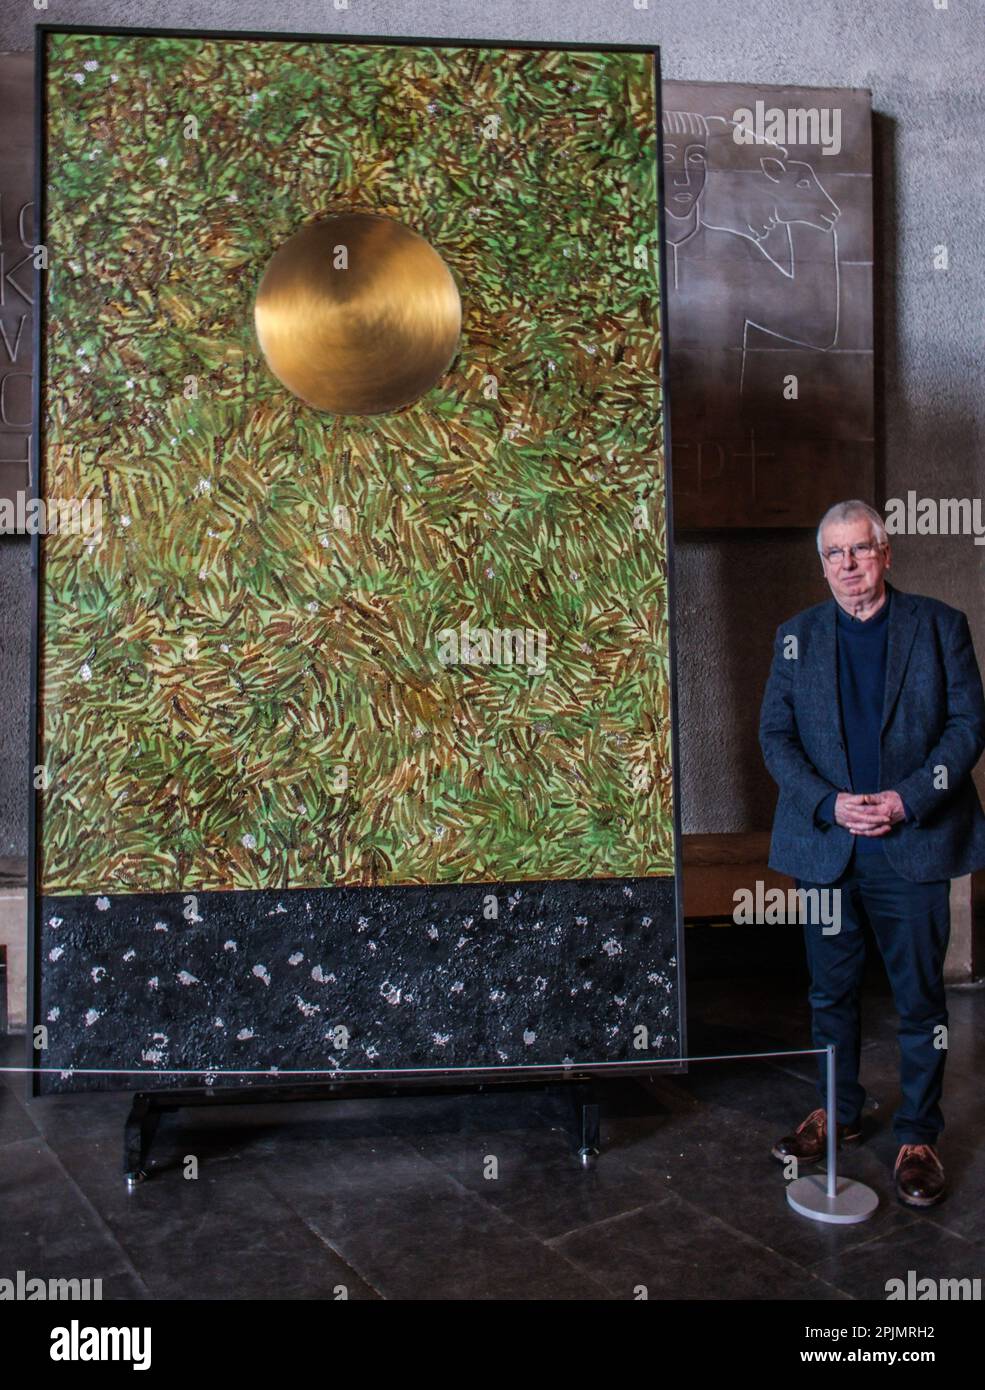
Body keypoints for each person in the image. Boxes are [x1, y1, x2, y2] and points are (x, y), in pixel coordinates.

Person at [759, 499, 985, 1206]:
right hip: (826, 846)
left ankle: (917, 1134)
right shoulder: (794, 637)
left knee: (920, 1000)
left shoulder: (939, 626)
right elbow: (776, 738)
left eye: (859, 549)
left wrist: (906, 799)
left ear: (884, 553)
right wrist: (828, 804)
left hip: (910, 842)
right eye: (834, 553)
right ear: (821, 562)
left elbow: (966, 725)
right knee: (829, 995)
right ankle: (838, 1112)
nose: (847, 565)